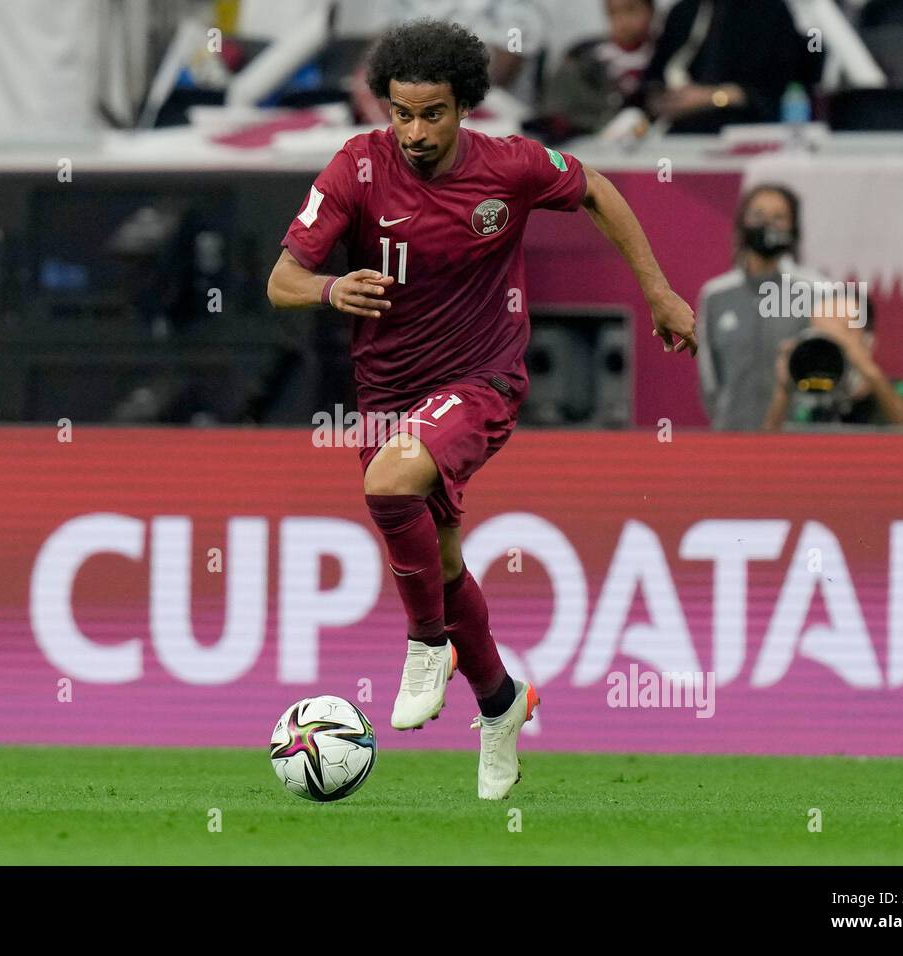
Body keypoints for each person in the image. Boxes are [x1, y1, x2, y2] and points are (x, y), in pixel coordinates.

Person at [267, 18, 697, 800]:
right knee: (446, 560)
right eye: (401, 112)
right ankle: (501, 705)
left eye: (432, 113)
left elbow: (596, 187)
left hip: (480, 377)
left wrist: (659, 291)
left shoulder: (511, 166)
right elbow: (282, 278)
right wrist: (332, 288)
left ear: (465, 105)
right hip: (387, 390)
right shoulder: (355, 169)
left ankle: (427, 645)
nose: (415, 131)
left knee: (391, 485)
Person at [696, 184, 826, 430]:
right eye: (758, 215)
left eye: (779, 217)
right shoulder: (715, 296)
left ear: (793, 227)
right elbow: (710, 381)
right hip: (732, 440)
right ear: (742, 223)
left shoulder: (817, 292)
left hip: (798, 442)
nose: (768, 224)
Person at [764, 293, 903, 428]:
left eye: (842, 331)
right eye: (821, 334)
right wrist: (784, 390)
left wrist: (867, 370)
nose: (831, 345)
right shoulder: (813, 408)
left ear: (868, 340)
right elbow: (768, 457)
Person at [641, 0, 819, 133]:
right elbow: (654, 79)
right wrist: (662, 100)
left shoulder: (769, 11)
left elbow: (780, 86)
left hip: (748, 132)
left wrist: (714, 97)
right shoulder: (683, 12)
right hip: (677, 136)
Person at [536, 0, 657, 141]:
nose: (622, 20)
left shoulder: (667, 57)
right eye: (613, 13)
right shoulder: (582, 57)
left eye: (631, 10)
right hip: (588, 142)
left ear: (651, 12)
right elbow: (556, 111)